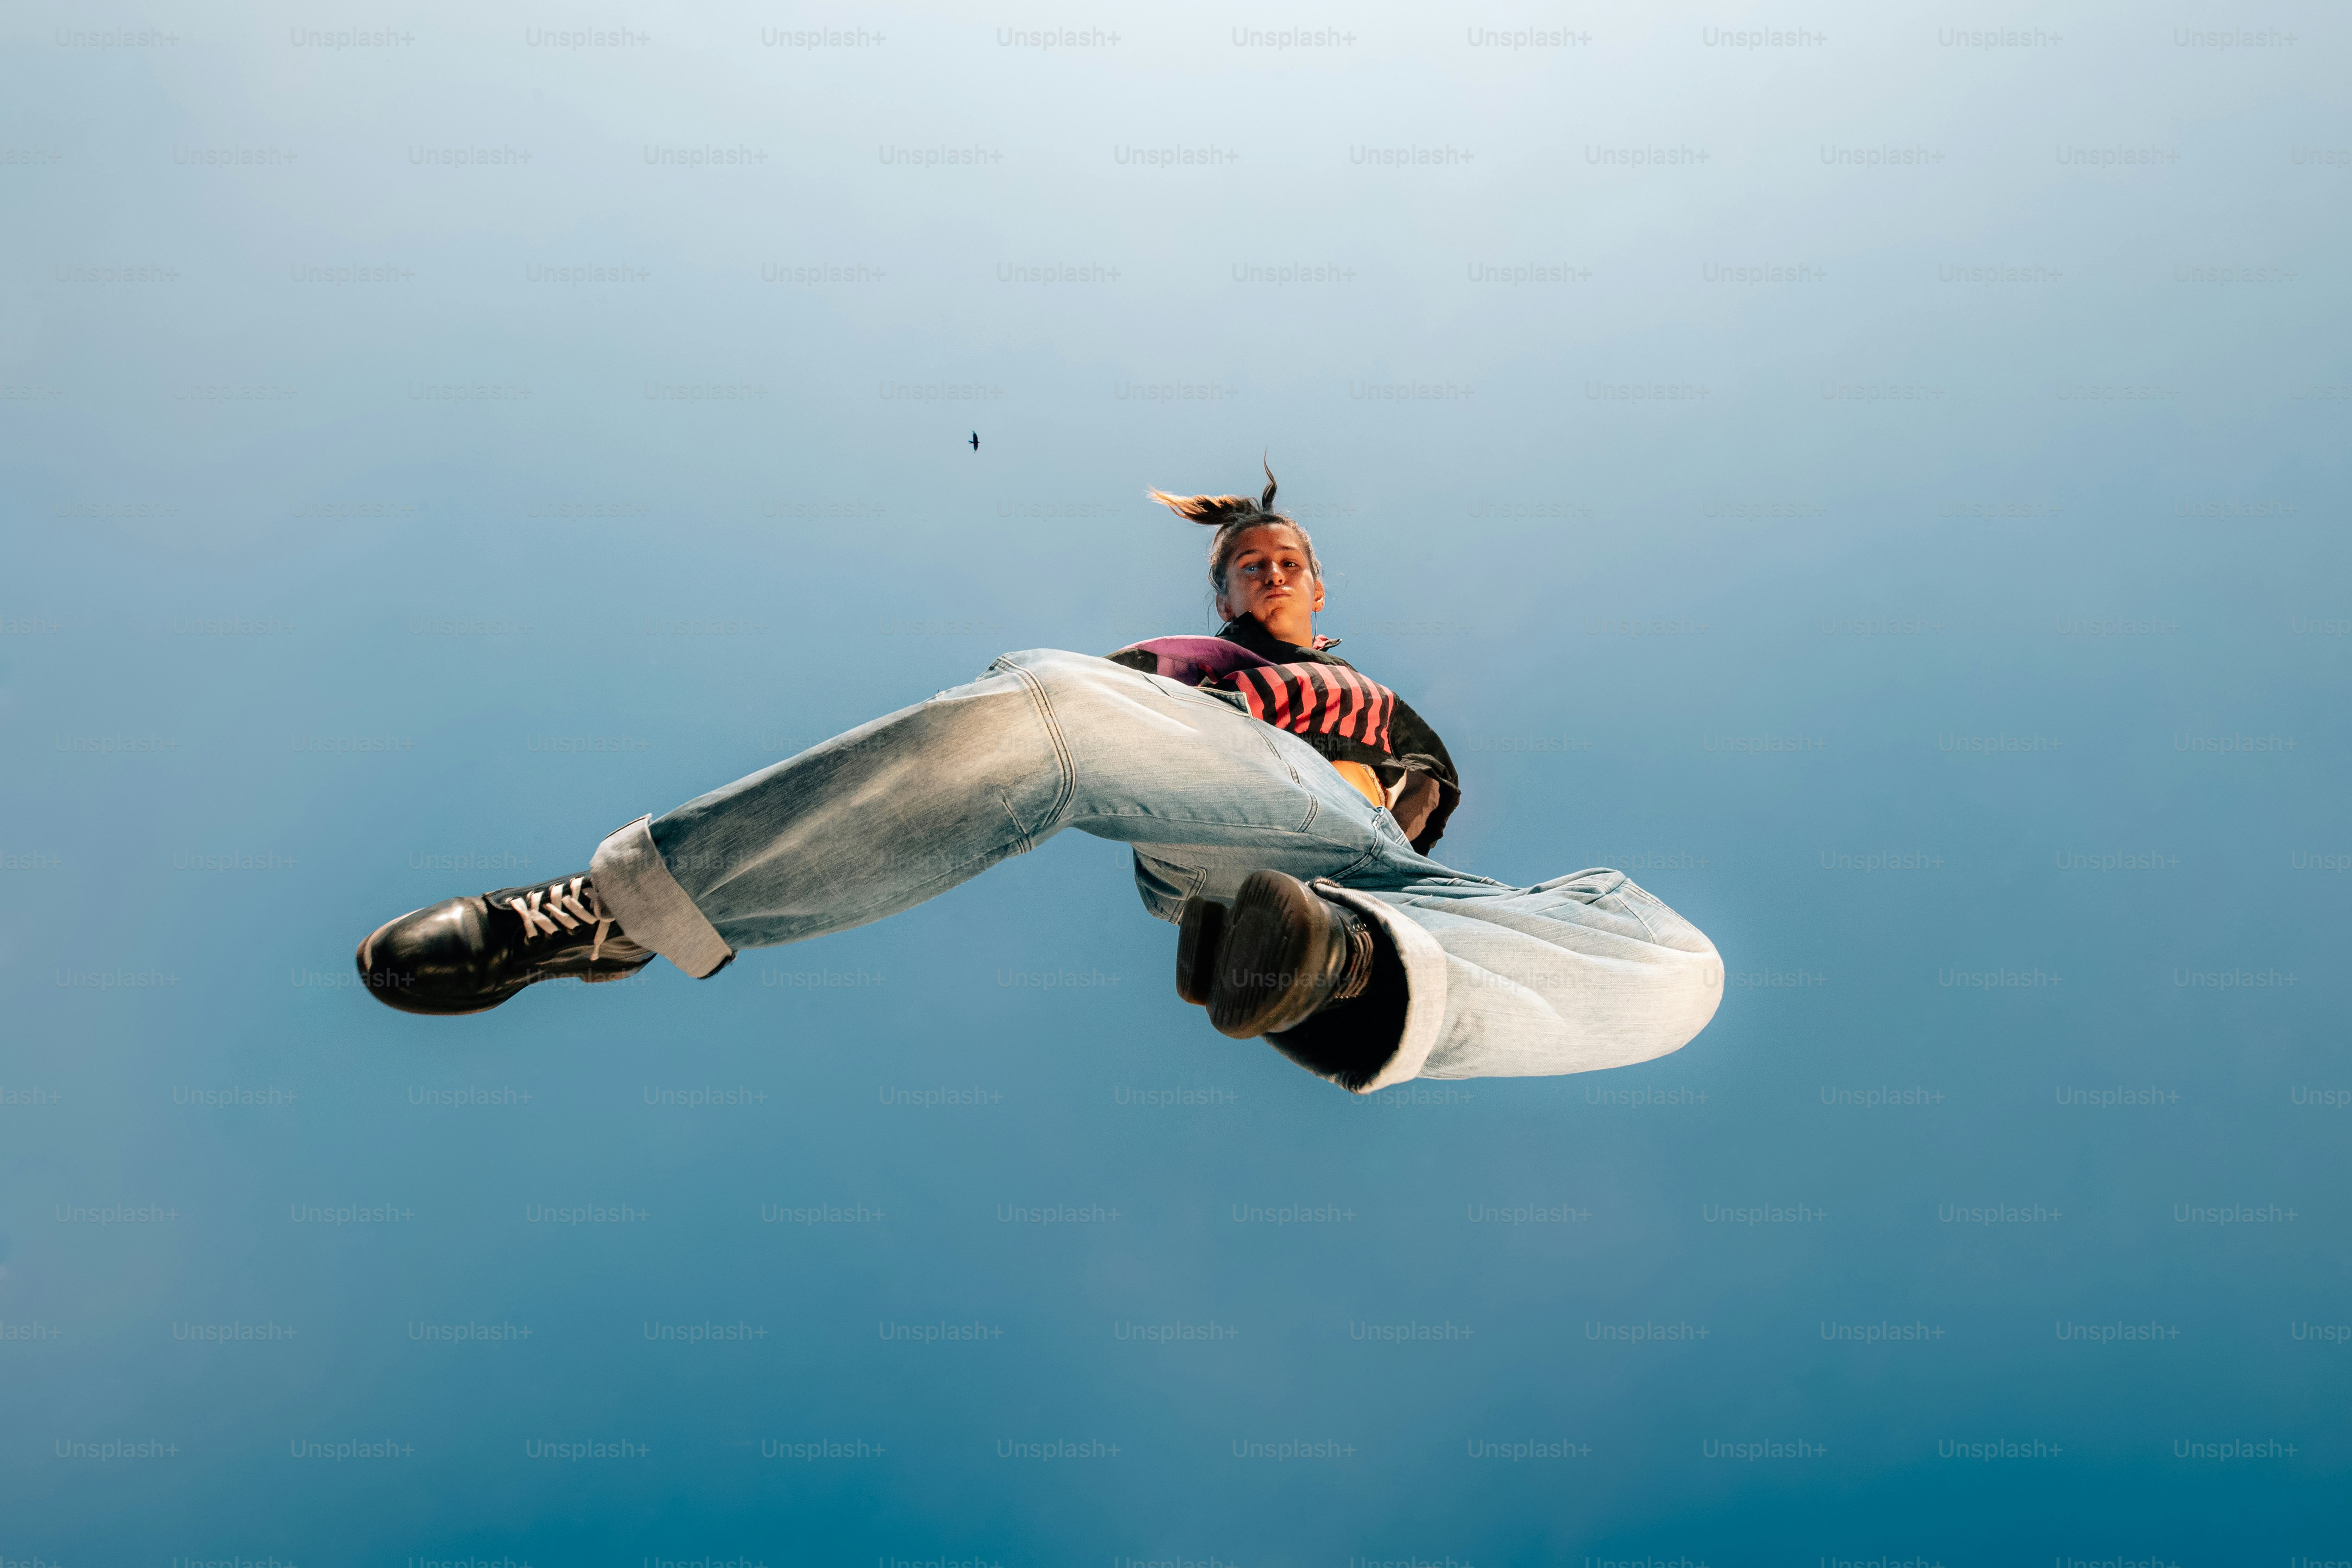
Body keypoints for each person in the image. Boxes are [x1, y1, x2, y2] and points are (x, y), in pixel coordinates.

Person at [354, 467, 1723, 1093]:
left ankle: (1344, 977)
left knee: (1679, 970)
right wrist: (1171, 680)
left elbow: (1418, 818)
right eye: (1252, 560)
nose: (1273, 568)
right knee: (1058, 701)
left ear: (1321, 580)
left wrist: (1385, 881)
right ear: (1227, 584)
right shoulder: (1192, 655)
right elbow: (1107, 731)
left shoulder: (1401, 716)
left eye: (1291, 557)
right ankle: (619, 918)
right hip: (1225, 823)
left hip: (1385, 882)